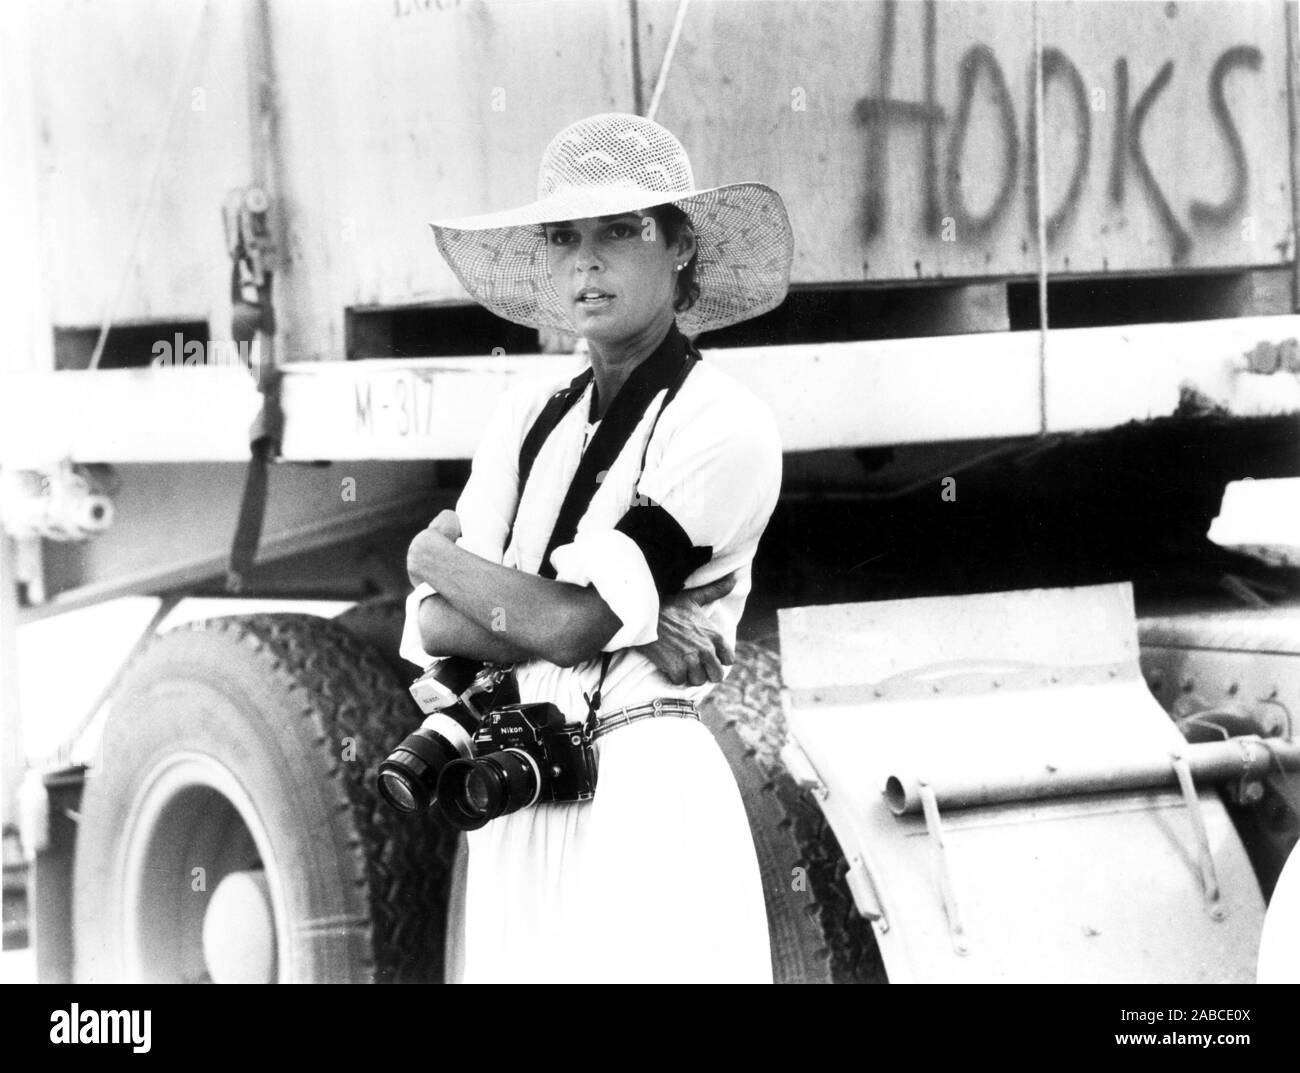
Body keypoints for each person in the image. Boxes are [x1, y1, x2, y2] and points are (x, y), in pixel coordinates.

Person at [398, 112, 792, 983]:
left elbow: (570, 626)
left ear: (680, 245)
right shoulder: (525, 418)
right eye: (565, 236)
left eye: (621, 230)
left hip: (642, 785)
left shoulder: (723, 424)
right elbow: (432, 628)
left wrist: (433, 558)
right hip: (519, 787)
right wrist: (632, 624)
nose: (588, 260)